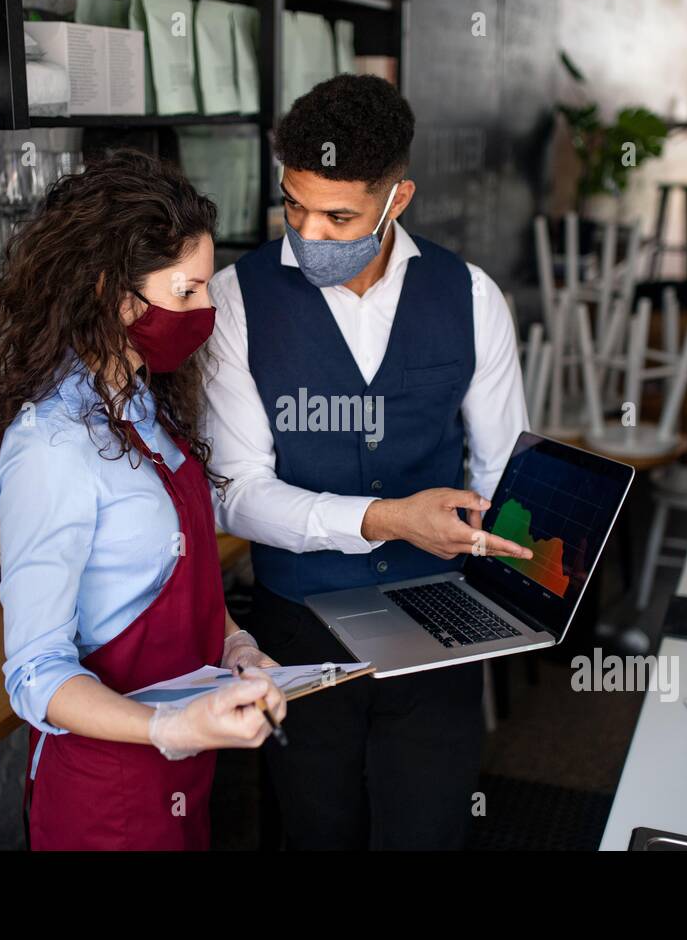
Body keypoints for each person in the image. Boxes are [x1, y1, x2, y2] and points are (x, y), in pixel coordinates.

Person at [204, 75, 532, 849]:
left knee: (429, 827)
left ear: (398, 199)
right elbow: (238, 494)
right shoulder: (235, 299)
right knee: (315, 831)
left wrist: (517, 575)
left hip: (440, 623)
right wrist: (386, 520)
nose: (309, 234)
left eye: (339, 216)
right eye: (294, 205)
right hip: (298, 630)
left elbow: (503, 473)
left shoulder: (471, 296)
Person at [0, 150, 286, 851]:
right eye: (187, 292)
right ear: (114, 291)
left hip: (182, 769)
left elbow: (176, 575)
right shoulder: (51, 446)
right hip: (104, 795)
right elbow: (35, 674)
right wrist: (166, 728)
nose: (206, 312)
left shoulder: (143, 402)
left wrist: (236, 644)